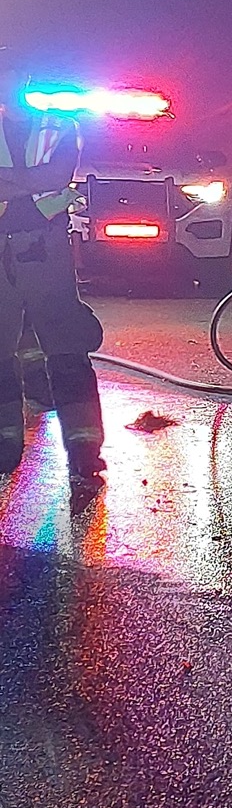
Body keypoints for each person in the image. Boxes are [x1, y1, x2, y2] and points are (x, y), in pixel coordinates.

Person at [0, 66, 106, 494]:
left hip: (44, 253)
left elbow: (55, 176)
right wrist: (27, 186)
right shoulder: (55, 130)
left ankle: (84, 453)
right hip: (23, 249)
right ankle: (5, 450)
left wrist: (9, 188)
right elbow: (43, 181)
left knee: (66, 351)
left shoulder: (61, 126)